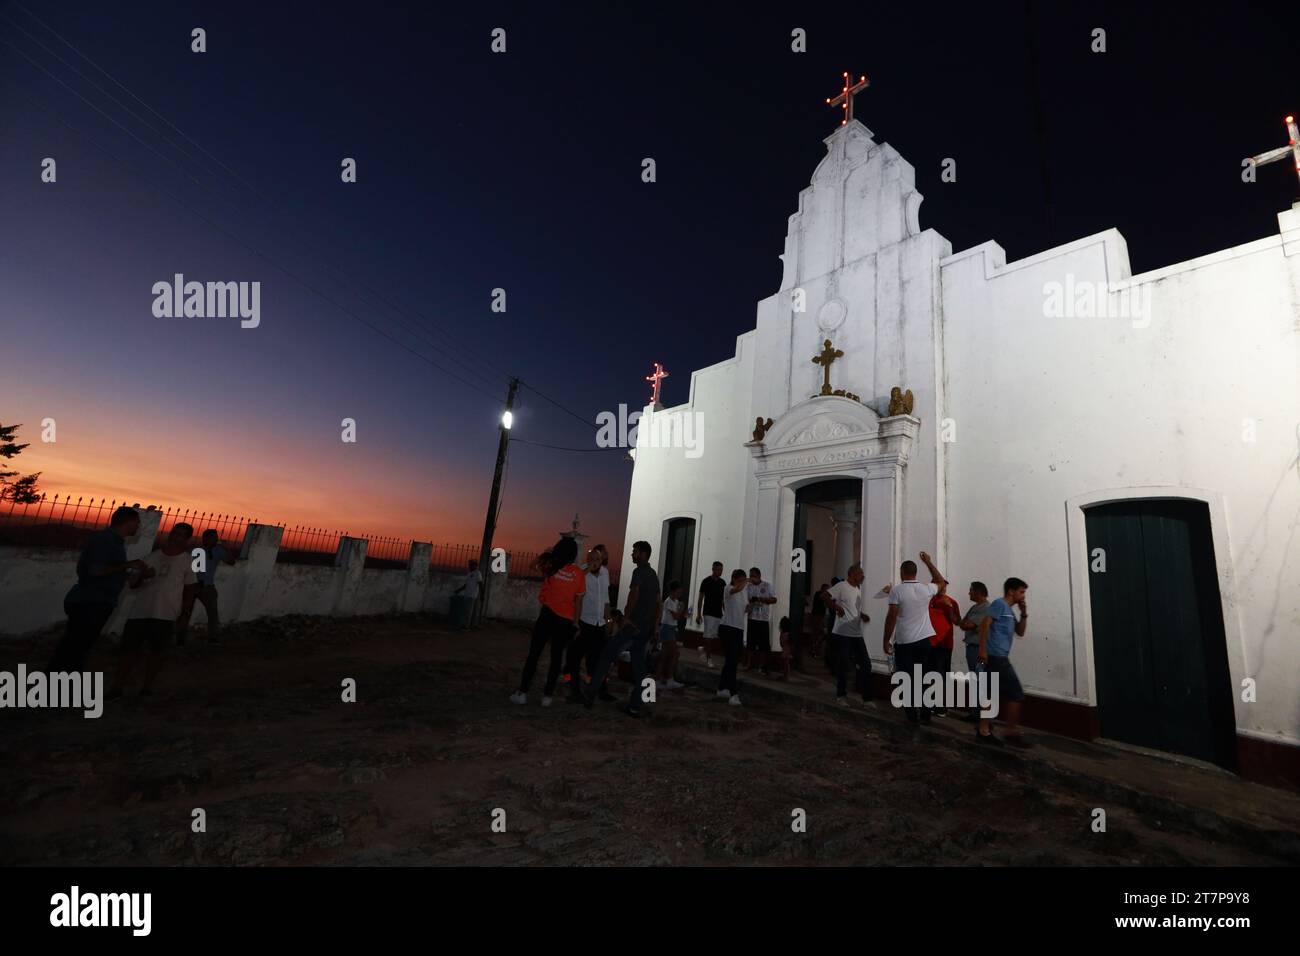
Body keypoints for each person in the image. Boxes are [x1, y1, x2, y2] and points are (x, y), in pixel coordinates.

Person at [49, 506, 147, 673]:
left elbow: (109, 571)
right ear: (128, 522)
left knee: (76, 647)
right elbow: (95, 570)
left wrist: (134, 574)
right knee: (75, 648)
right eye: (137, 523)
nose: (138, 527)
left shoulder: (114, 542)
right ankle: (60, 688)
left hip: (95, 601)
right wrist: (128, 565)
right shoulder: (105, 541)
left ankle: (59, 685)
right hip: (90, 602)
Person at [109, 522, 197, 698]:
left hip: (166, 614)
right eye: (174, 533)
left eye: (181, 535)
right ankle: (117, 686)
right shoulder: (153, 556)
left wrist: (184, 615)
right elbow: (133, 585)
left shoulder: (189, 562)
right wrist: (143, 575)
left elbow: (191, 589)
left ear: (186, 540)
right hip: (141, 611)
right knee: (129, 650)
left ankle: (146, 688)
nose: (175, 537)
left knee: (157, 652)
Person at [585, 540, 660, 717]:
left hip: (633, 626)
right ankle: (635, 706)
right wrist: (654, 627)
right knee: (639, 665)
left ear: (643, 554)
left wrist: (626, 618)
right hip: (645, 629)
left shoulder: (639, 572)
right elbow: (658, 603)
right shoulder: (653, 574)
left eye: (634, 552)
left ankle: (590, 694)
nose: (632, 555)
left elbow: (634, 594)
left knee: (607, 654)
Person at [510, 537, 585, 707]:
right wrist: (576, 623)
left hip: (547, 616)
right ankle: (547, 697)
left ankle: (522, 693)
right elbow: (578, 601)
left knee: (534, 654)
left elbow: (532, 566)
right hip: (566, 620)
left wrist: (546, 552)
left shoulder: (552, 565)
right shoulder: (579, 573)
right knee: (556, 658)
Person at [881, 551, 948, 724]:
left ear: (902, 572)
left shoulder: (897, 591)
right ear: (915, 572)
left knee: (907, 679)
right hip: (924, 641)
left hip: (905, 642)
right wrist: (929, 562)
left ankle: (912, 716)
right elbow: (941, 581)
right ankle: (925, 714)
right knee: (923, 677)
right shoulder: (926, 589)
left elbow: (891, 617)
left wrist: (886, 639)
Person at [977, 578, 1030, 747]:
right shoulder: (999, 604)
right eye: (1021, 592)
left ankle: (983, 730)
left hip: (1000, 657)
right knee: (1016, 694)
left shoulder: (1009, 611)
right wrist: (983, 650)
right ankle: (1010, 732)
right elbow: (985, 625)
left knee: (992, 694)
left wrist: (1023, 613)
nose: (1023, 596)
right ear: (1011, 591)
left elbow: (1020, 632)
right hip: (996, 657)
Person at [176, 529, 236, 646]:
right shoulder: (195, 551)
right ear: (206, 538)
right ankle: (180, 638)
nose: (216, 540)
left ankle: (213, 638)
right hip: (193, 586)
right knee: (185, 612)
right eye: (214, 537)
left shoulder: (218, 551)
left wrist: (227, 548)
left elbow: (231, 562)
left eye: (216, 537)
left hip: (208, 587)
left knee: (213, 613)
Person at [565, 547, 610, 702]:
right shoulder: (581, 572)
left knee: (598, 659)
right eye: (591, 560)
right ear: (587, 560)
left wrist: (608, 620)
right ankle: (575, 691)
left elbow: (606, 599)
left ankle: (599, 690)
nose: (594, 563)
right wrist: (575, 623)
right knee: (574, 657)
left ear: (601, 560)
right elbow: (573, 588)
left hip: (600, 623)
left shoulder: (605, 573)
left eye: (597, 560)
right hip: (585, 622)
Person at [828, 563, 872, 705]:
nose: (863, 576)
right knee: (844, 664)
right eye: (861, 573)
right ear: (853, 574)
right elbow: (825, 596)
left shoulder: (858, 589)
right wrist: (836, 607)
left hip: (856, 633)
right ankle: (841, 696)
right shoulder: (841, 586)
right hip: (842, 633)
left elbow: (854, 609)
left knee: (866, 664)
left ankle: (867, 698)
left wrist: (862, 615)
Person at [956, 582, 992, 719]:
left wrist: (967, 625)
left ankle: (978, 714)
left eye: (971, 590)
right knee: (976, 680)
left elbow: (967, 625)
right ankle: (975, 711)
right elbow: (962, 623)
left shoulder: (985, 608)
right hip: (972, 648)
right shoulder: (975, 607)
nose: (969, 593)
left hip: (978, 649)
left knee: (980, 680)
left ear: (978, 592)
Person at [926, 585, 961, 717]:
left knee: (940, 675)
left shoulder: (951, 602)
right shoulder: (928, 600)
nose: (941, 587)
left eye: (942, 585)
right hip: (929, 643)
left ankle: (940, 706)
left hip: (944, 644)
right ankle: (929, 704)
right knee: (928, 674)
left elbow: (957, 621)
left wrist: (950, 608)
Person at [715, 568, 748, 706]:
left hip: (738, 628)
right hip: (728, 627)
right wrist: (746, 581)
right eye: (740, 580)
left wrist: (751, 607)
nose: (743, 583)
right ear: (734, 579)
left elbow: (744, 608)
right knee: (732, 661)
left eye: (743, 580)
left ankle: (722, 688)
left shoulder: (743, 591)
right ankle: (733, 694)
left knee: (731, 660)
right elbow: (737, 589)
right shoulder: (728, 588)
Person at [743, 567, 777, 673]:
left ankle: (761, 666)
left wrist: (761, 599)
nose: (751, 578)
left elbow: (774, 599)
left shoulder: (767, 585)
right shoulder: (749, 587)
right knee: (750, 643)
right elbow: (746, 600)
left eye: (753, 575)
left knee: (763, 644)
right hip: (752, 618)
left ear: (758, 576)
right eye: (750, 575)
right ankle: (749, 664)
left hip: (763, 619)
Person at [657, 581, 686, 690]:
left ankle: (660, 678)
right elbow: (675, 616)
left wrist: (684, 613)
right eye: (679, 591)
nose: (680, 593)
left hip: (672, 628)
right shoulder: (668, 601)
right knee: (674, 653)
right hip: (667, 628)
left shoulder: (676, 601)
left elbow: (678, 616)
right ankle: (669, 678)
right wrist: (681, 609)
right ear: (674, 591)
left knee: (665, 655)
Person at [695, 562, 725, 668]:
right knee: (708, 636)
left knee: (714, 636)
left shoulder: (722, 583)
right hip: (708, 612)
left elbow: (723, 600)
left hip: (718, 613)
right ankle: (709, 658)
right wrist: (698, 614)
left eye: (721, 569)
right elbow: (700, 598)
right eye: (718, 569)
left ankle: (703, 649)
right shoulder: (706, 581)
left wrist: (725, 612)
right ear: (713, 569)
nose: (720, 571)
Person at [454, 558, 483, 628]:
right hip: (467, 594)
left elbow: (480, 584)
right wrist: (459, 590)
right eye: (469, 565)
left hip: (472, 595)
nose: (470, 566)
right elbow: (466, 585)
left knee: (468, 611)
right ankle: (472, 625)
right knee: (470, 611)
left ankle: (466, 626)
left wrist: (482, 594)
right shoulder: (469, 573)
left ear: (475, 566)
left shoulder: (477, 573)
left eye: (471, 565)